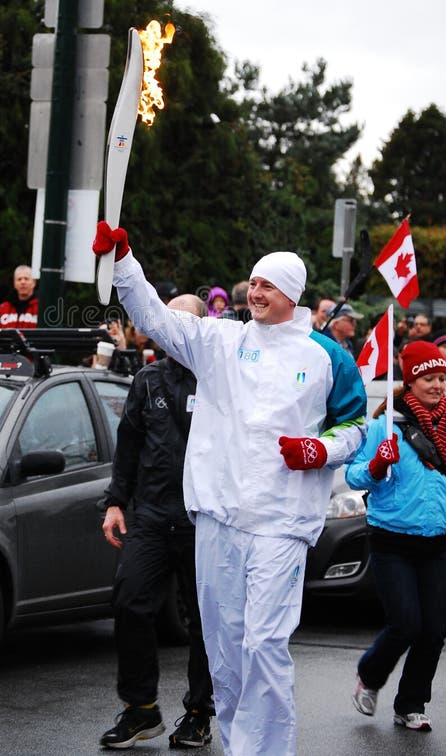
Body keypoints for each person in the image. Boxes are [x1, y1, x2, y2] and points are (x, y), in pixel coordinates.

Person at [92, 222, 367, 756]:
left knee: (264, 643)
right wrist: (124, 261)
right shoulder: (220, 341)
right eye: (252, 283)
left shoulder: (325, 356)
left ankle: (269, 751)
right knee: (223, 651)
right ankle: (240, 745)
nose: (255, 293)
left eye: (266, 285)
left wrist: (320, 450)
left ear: (291, 294)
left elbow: (356, 426)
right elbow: (154, 318)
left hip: (281, 522)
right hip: (218, 519)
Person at [100, 294, 214, 750]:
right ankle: (141, 710)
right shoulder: (146, 381)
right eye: (168, 320)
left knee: (205, 622)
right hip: (149, 516)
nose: (175, 329)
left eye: (185, 321)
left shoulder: (219, 380)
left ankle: (200, 713)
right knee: (129, 604)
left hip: (203, 520)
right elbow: (127, 447)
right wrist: (114, 503)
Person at [346, 340, 446, 733]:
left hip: (439, 540)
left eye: (442, 377)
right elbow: (353, 475)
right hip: (392, 539)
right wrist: (378, 464)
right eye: (429, 377)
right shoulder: (384, 424)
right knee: (406, 624)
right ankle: (370, 676)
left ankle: (410, 704)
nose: (437, 385)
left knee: (434, 631)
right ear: (410, 380)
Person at [0, 265, 39, 329]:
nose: (22, 282)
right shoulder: (4, 308)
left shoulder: (41, 307)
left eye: (26, 279)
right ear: (14, 283)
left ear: (34, 283)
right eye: (19, 279)